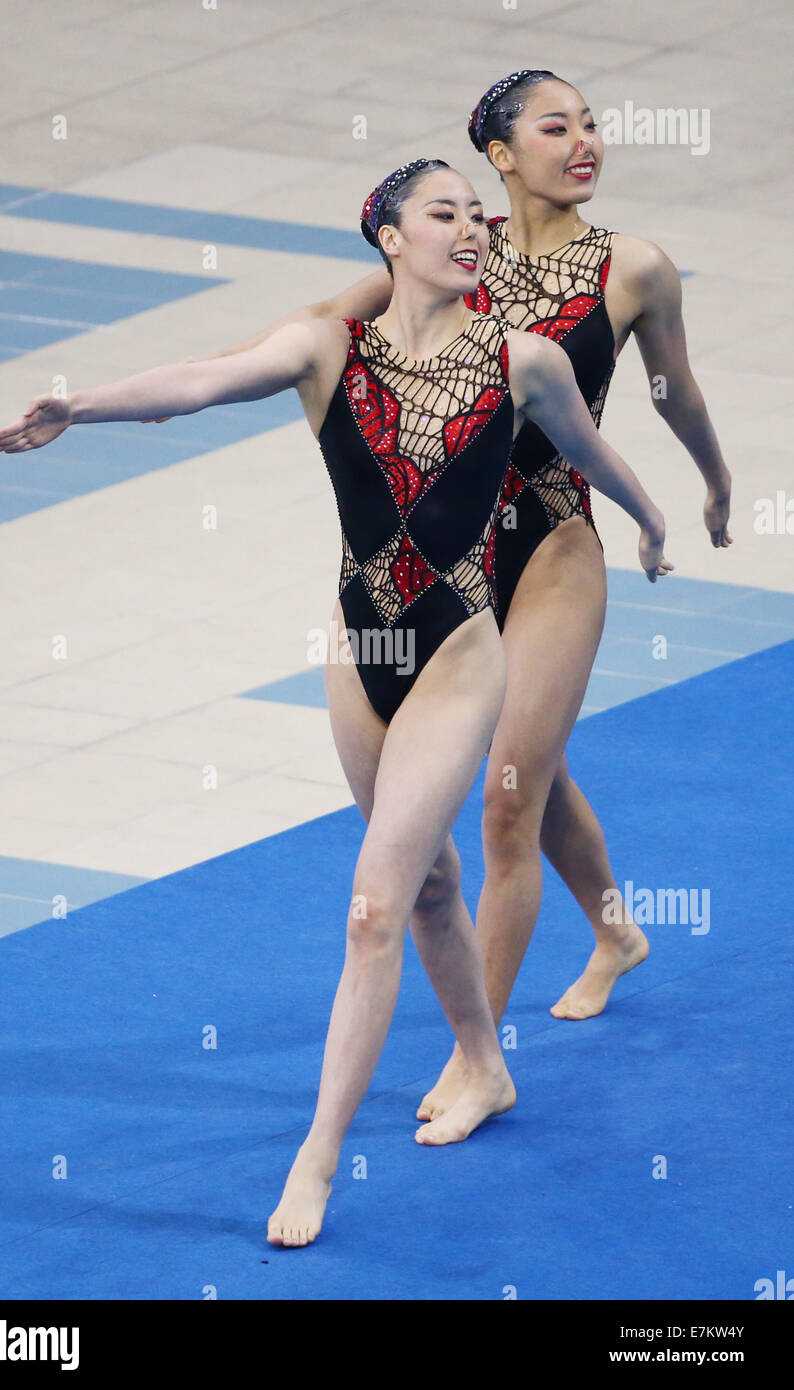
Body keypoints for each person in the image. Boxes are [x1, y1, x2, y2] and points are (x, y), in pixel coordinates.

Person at [0, 160, 670, 1247]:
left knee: (374, 907)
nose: (470, 228)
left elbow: (593, 455)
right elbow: (201, 380)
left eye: (476, 214)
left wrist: (653, 519)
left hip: (457, 657)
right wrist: (81, 407)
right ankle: (486, 1064)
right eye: (442, 213)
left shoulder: (522, 359)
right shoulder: (327, 350)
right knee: (431, 888)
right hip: (361, 655)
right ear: (389, 238)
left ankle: (314, 1159)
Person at [166, 70, 731, 1125]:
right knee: (536, 771)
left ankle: (481, 1056)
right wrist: (198, 380)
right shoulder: (451, 251)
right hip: (449, 562)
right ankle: (615, 929)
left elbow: (672, 388)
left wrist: (712, 480)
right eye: (555, 127)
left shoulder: (633, 267)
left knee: (508, 796)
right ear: (500, 155)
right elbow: (313, 326)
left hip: (552, 544)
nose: (584, 142)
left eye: (592, 125)